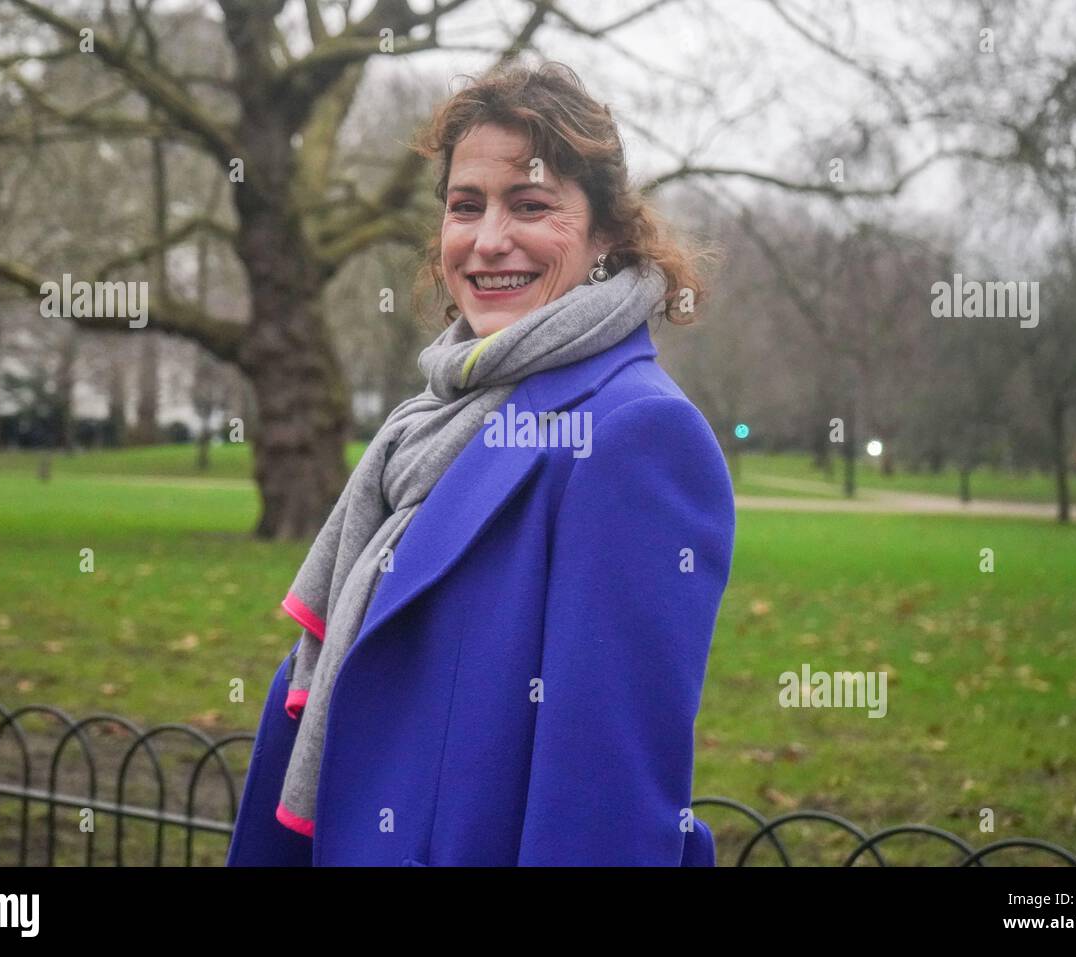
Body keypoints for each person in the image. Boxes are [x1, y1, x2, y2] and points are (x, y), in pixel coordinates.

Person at [226, 61, 735, 867]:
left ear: (606, 235)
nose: (489, 238)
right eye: (467, 207)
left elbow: (602, 802)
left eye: (531, 205)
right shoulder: (427, 421)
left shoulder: (638, 435)